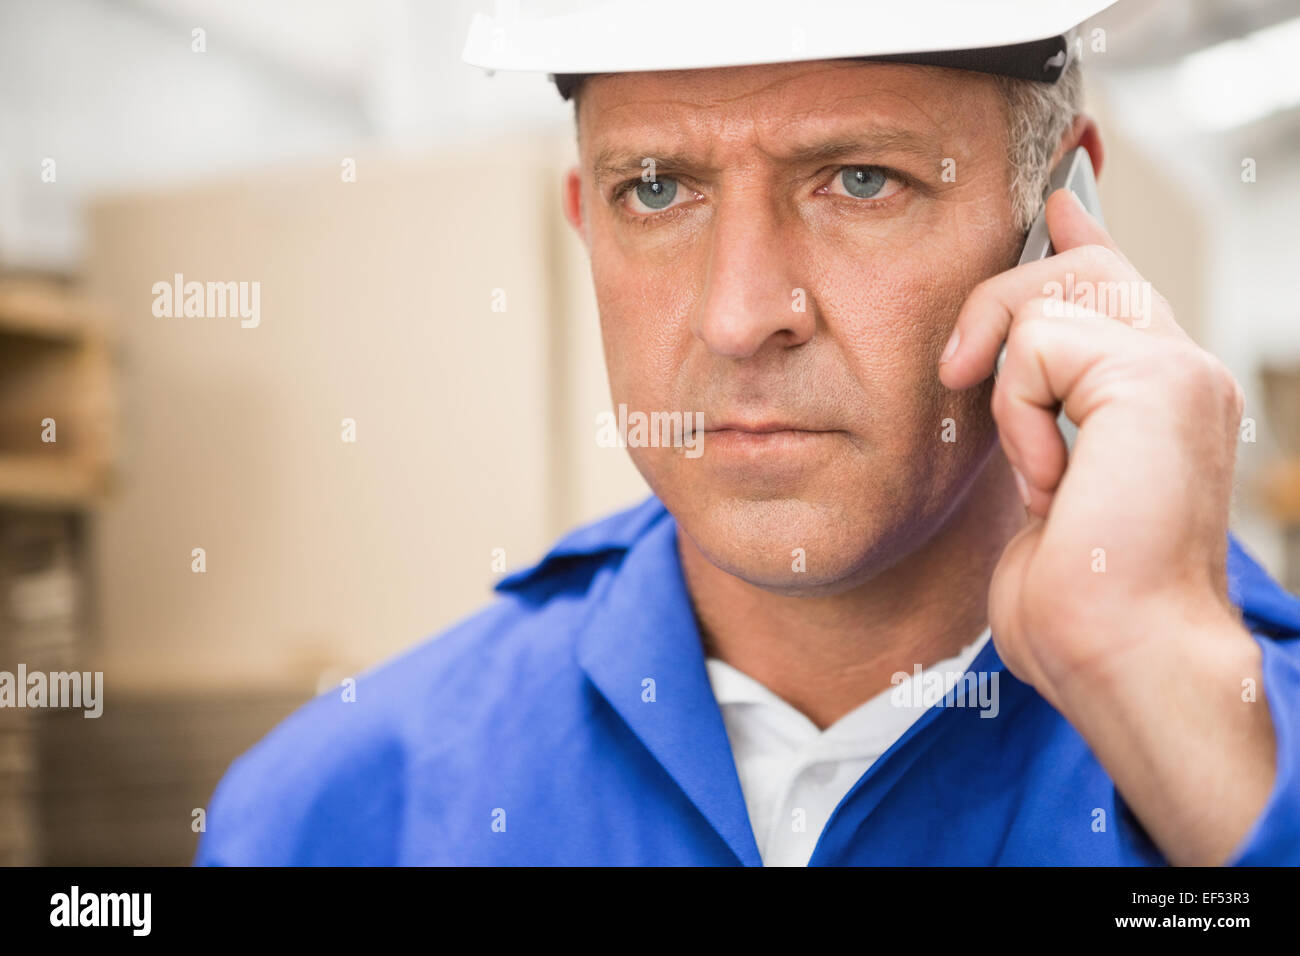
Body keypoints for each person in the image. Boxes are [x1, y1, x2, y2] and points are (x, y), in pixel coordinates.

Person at [196, 0, 1300, 866]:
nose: (737, 316)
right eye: (658, 188)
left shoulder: (1239, 743)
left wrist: (1170, 689)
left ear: (1063, 214)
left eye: (860, 180)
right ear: (587, 221)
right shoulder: (339, 811)